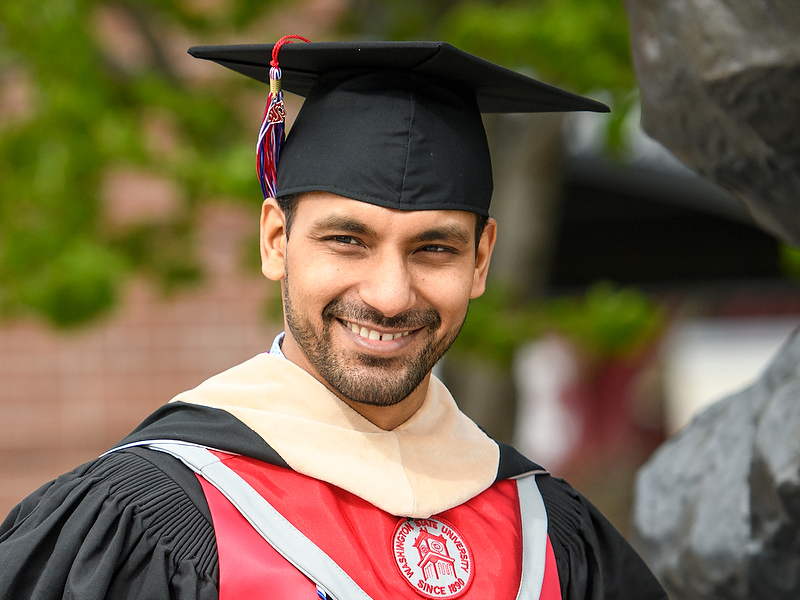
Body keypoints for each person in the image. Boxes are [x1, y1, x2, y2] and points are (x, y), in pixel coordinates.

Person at [0, 39, 667, 600]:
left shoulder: (551, 535)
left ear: (482, 260)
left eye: (434, 248)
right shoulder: (149, 515)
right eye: (347, 240)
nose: (388, 294)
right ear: (275, 241)